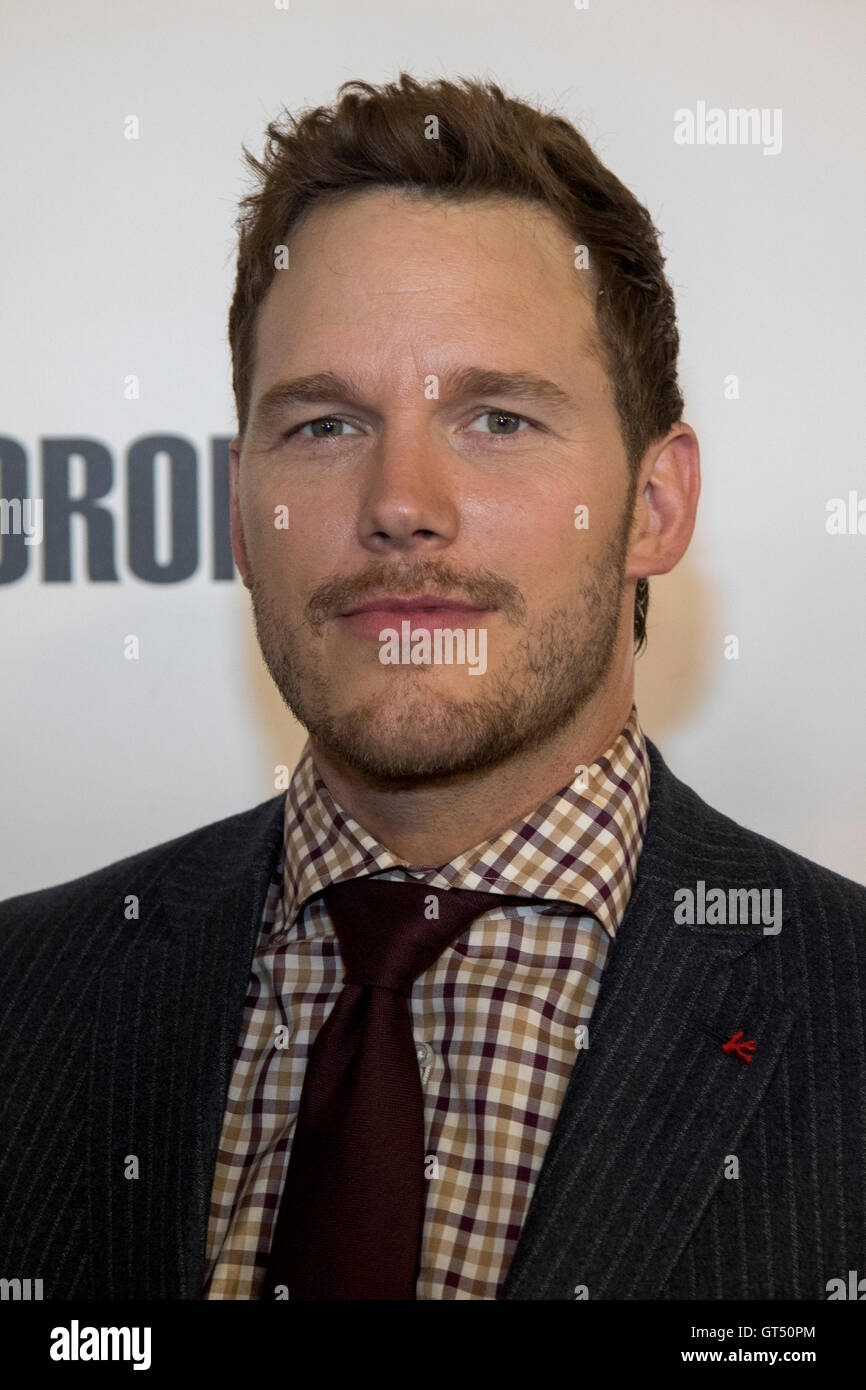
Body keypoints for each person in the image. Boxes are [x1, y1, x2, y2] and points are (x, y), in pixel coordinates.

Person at [1, 74, 863, 1303]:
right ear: (241, 511)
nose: (400, 502)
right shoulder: (26, 997)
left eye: (497, 419)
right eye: (323, 426)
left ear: (654, 505)